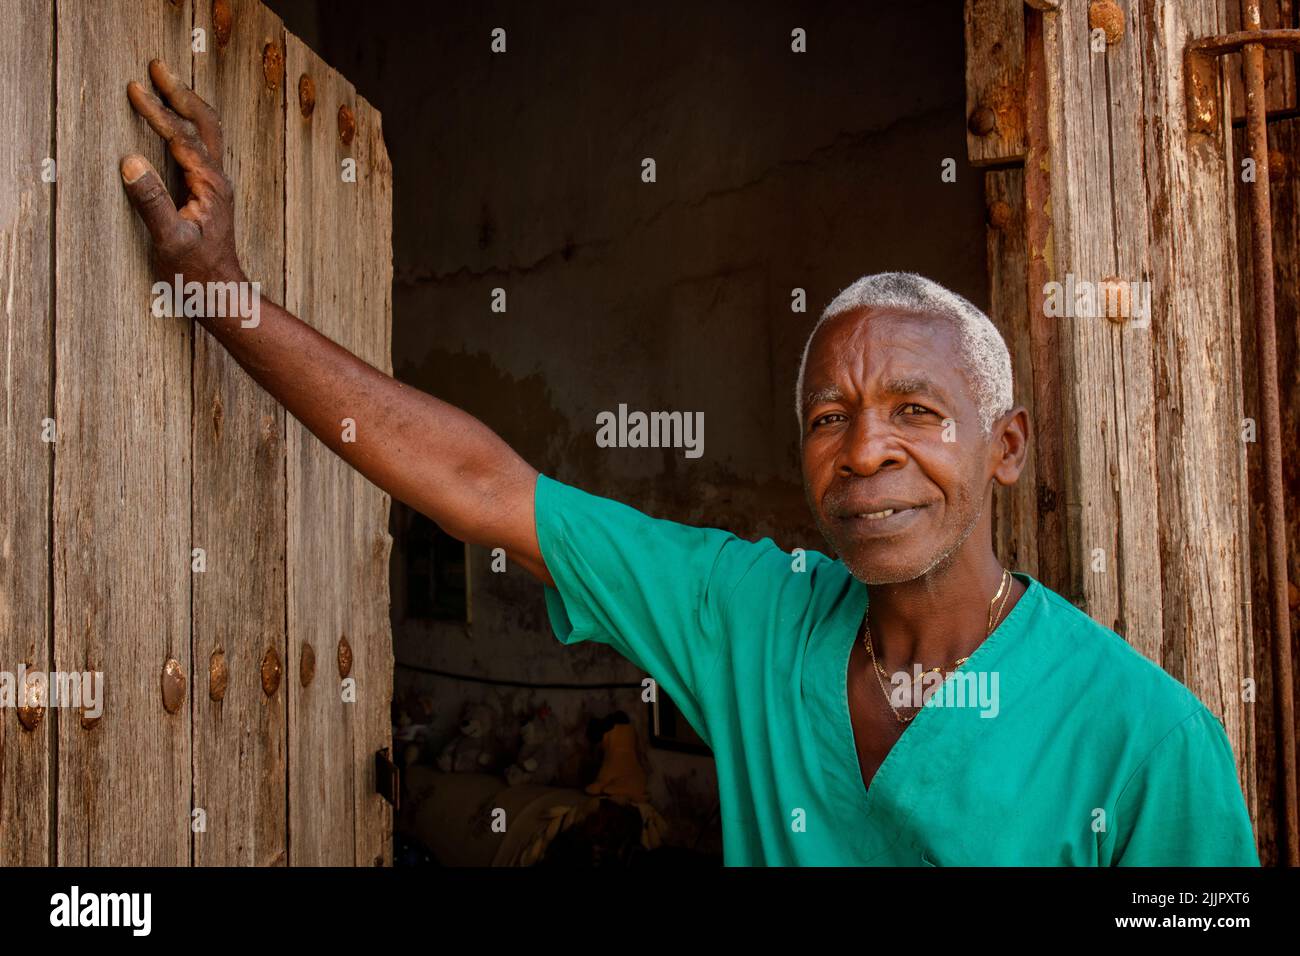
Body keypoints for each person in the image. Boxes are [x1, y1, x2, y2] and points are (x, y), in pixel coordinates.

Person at [118, 58, 1260, 866]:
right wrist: (220, 291)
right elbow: (480, 484)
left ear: (1005, 445)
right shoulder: (750, 616)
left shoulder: (1149, 742)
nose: (865, 449)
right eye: (827, 417)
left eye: (916, 408)